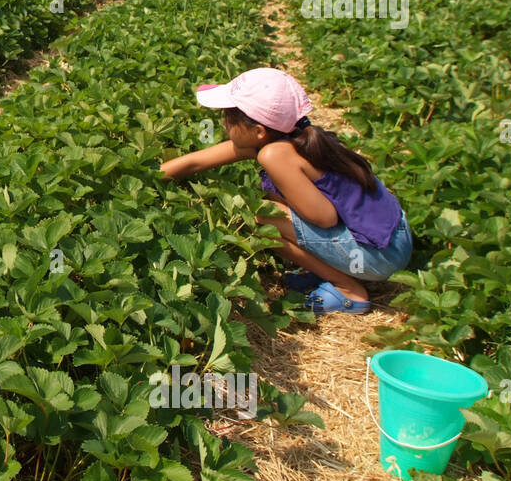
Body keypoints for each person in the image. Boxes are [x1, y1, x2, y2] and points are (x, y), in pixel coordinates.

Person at [160, 67, 412, 314]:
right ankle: (330, 266)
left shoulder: (274, 154)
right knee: (272, 202)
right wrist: (148, 174)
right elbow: (195, 162)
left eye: (228, 116)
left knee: (260, 219)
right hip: (392, 234)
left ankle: (349, 289)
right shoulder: (290, 135)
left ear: (258, 131)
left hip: (380, 255)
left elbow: (325, 218)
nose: (223, 122)